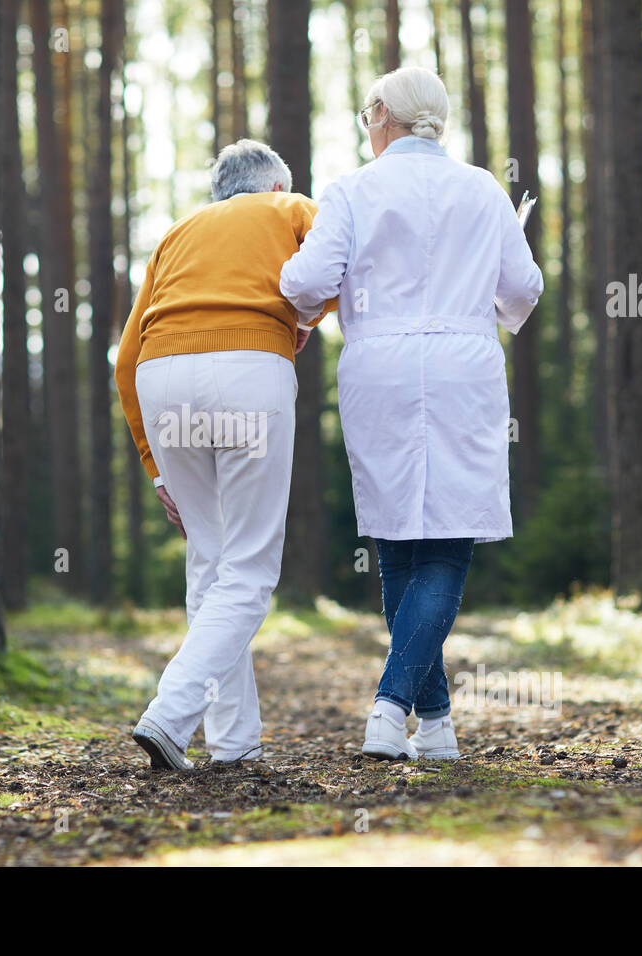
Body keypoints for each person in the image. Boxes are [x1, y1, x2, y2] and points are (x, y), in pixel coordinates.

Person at [279, 66, 543, 761]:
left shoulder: (352, 190)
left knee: (398, 541)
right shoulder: (483, 188)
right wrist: (481, 295)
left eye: (368, 115)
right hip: (463, 364)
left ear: (382, 117)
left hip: (381, 367)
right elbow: (523, 289)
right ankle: (425, 720)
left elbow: (306, 283)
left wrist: (304, 300)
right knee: (449, 541)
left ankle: (404, 712)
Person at [115, 139, 334, 769]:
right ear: (273, 187)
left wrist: (154, 466)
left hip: (162, 379)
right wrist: (306, 322)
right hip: (248, 373)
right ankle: (169, 714)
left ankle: (234, 743)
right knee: (249, 570)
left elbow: (126, 358)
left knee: (210, 568)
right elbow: (333, 274)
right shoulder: (290, 208)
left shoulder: (177, 234)